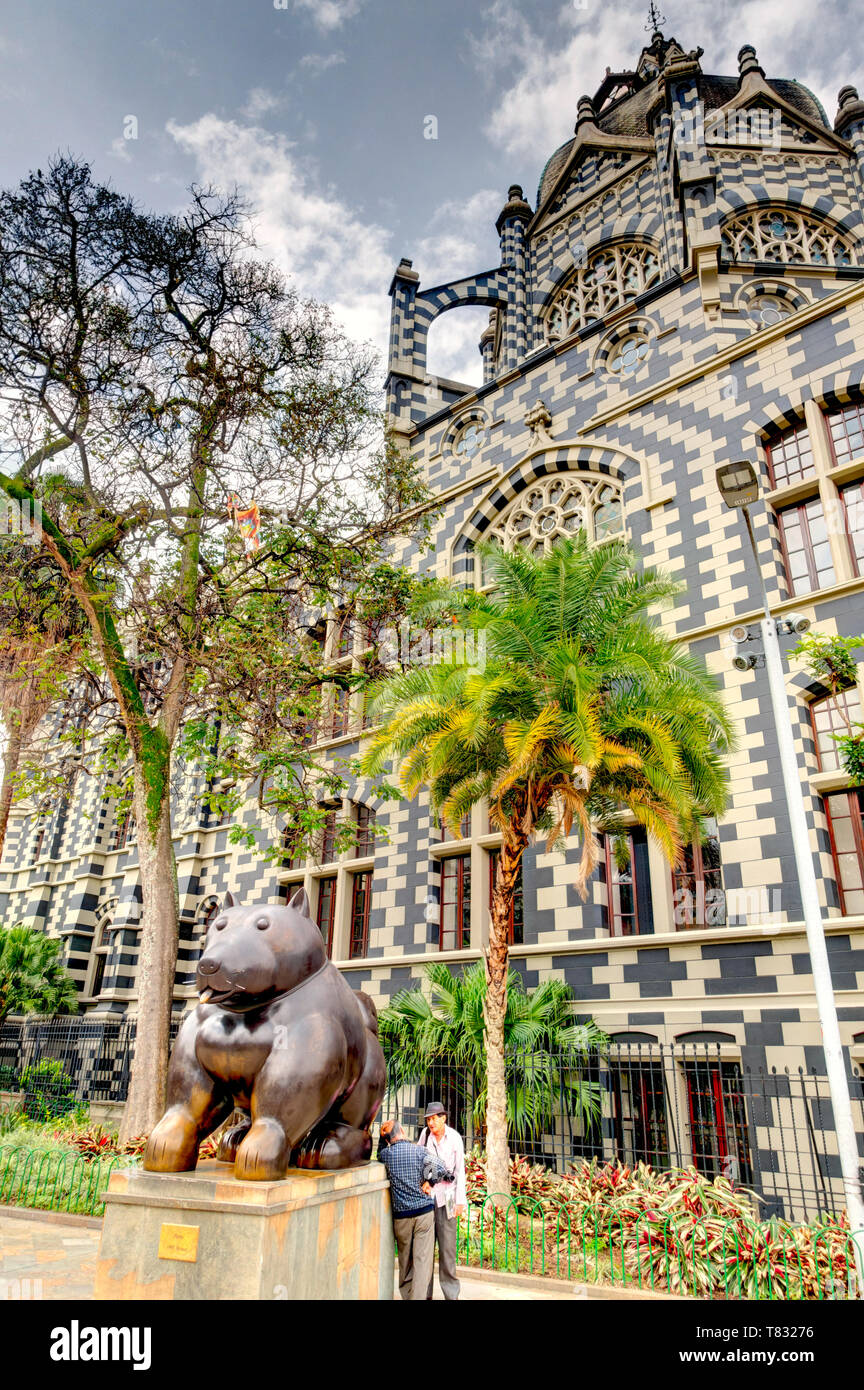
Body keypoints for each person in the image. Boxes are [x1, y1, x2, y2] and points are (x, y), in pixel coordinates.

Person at [378, 1119, 453, 1301]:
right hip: (423, 1215)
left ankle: (407, 1296)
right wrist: (430, 1181)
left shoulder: (387, 1155)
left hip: (401, 1218)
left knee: (405, 1261)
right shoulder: (419, 1151)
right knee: (422, 1262)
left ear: (387, 1139)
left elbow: (378, 1154)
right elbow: (442, 1167)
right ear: (402, 1131)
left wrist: (383, 1139)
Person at [418, 1101, 467, 1301]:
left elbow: (460, 1171)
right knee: (426, 1252)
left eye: (434, 1118)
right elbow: (418, 1158)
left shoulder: (454, 1138)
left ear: (443, 1118)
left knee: (447, 1251)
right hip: (429, 1199)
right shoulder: (425, 1136)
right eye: (428, 1119)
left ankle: (451, 1296)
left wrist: (460, 1201)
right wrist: (423, 1181)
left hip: (447, 1199)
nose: (431, 1123)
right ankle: (424, 1295)